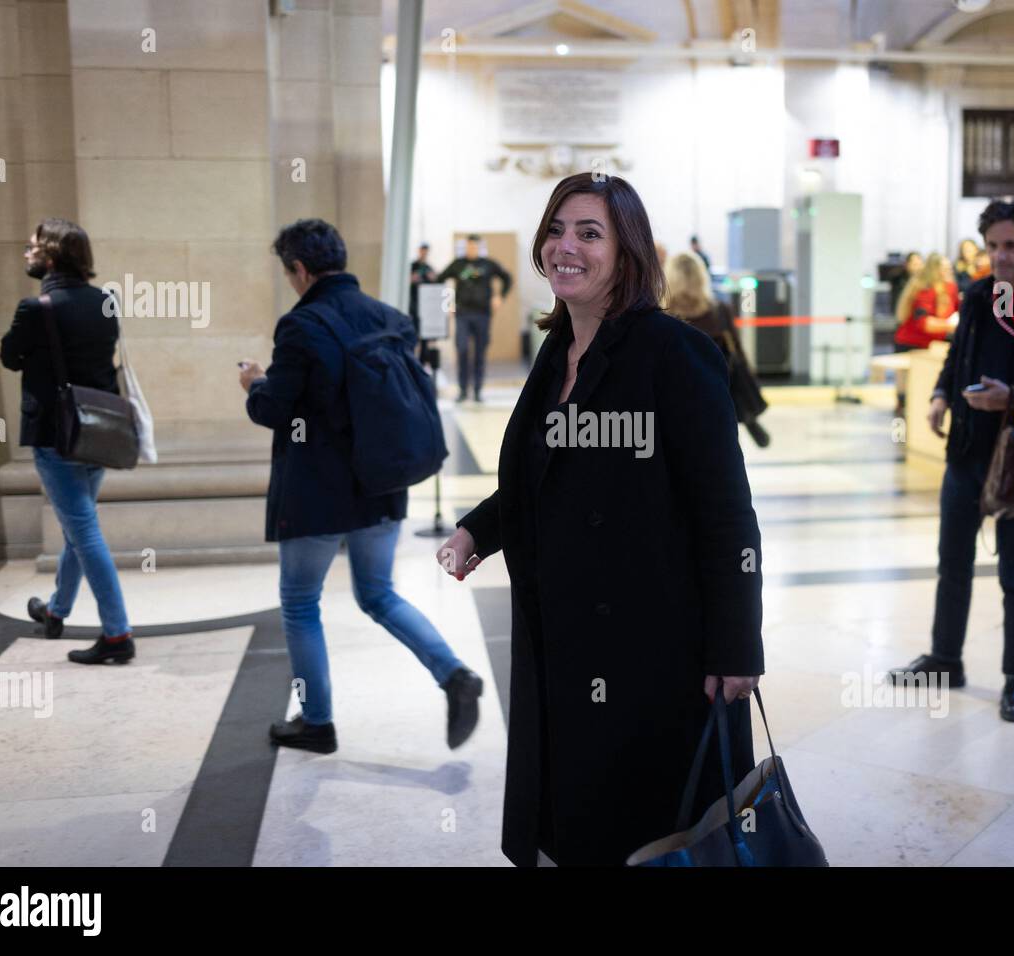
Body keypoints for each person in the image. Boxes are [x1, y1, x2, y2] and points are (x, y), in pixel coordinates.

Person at [436, 174, 764, 867]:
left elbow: (727, 513)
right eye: (557, 229)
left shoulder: (674, 354)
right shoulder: (558, 351)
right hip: (564, 635)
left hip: (654, 644)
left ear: (628, 253)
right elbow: (540, 474)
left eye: (590, 233)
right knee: (578, 810)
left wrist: (736, 647)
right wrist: (479, 531)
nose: (566, 246)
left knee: (650, 824)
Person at [240, 218, 483, 755]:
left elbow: (274, 409)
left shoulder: (300, 326)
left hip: (316, 491)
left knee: (301, 603)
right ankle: (454, 674)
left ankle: (317, 723)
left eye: (290, 273)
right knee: (378, 594)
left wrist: (253, 383)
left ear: (300, 270)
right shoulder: (391, 318)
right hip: (381, 483)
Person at [889, 200, 1014, 722]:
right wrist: (939, 395)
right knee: (951, 563)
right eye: (993, 246)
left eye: (1011, 246)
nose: (1001, 256)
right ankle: (945, 659)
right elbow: (957, 356)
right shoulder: (979, 296)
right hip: (966, 453)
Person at [0, 218, 135, 665]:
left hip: (55, 438)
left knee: (84, 531)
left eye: (33, 247)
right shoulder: (106, 303)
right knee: (79, 529)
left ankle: (117, 635)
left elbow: (8, 356)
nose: (26, 253)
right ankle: (57, 611)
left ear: (51, 257)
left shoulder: (36, 308)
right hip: (97, 432)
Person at [663, 251, 770, 448]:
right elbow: (738, 356)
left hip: (672, 411)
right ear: (701, 277)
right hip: (718, 409)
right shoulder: (719, 312)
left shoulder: (661, 317)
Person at [434, 235, 513, 403]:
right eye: (469, 247)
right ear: (466, 247)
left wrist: (500, 296)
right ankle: (462, 390)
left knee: (479, 352)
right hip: (462, 314)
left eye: (475, 247)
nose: (472, 249)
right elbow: (439, 279)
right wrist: (447, 303)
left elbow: (507, 278)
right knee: (462, 349)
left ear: (479, 247)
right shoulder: (458, 264)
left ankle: (477, 390)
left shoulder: (488, 264)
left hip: (482, 314)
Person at [893, 252, 959, 351]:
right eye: (944, 269)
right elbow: (924, 323)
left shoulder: (951, 288)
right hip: (912, 344)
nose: (949, 272)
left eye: (949, 268)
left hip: (933, 345)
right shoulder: (924, 289)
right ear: (935, 270)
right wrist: (951, 326)